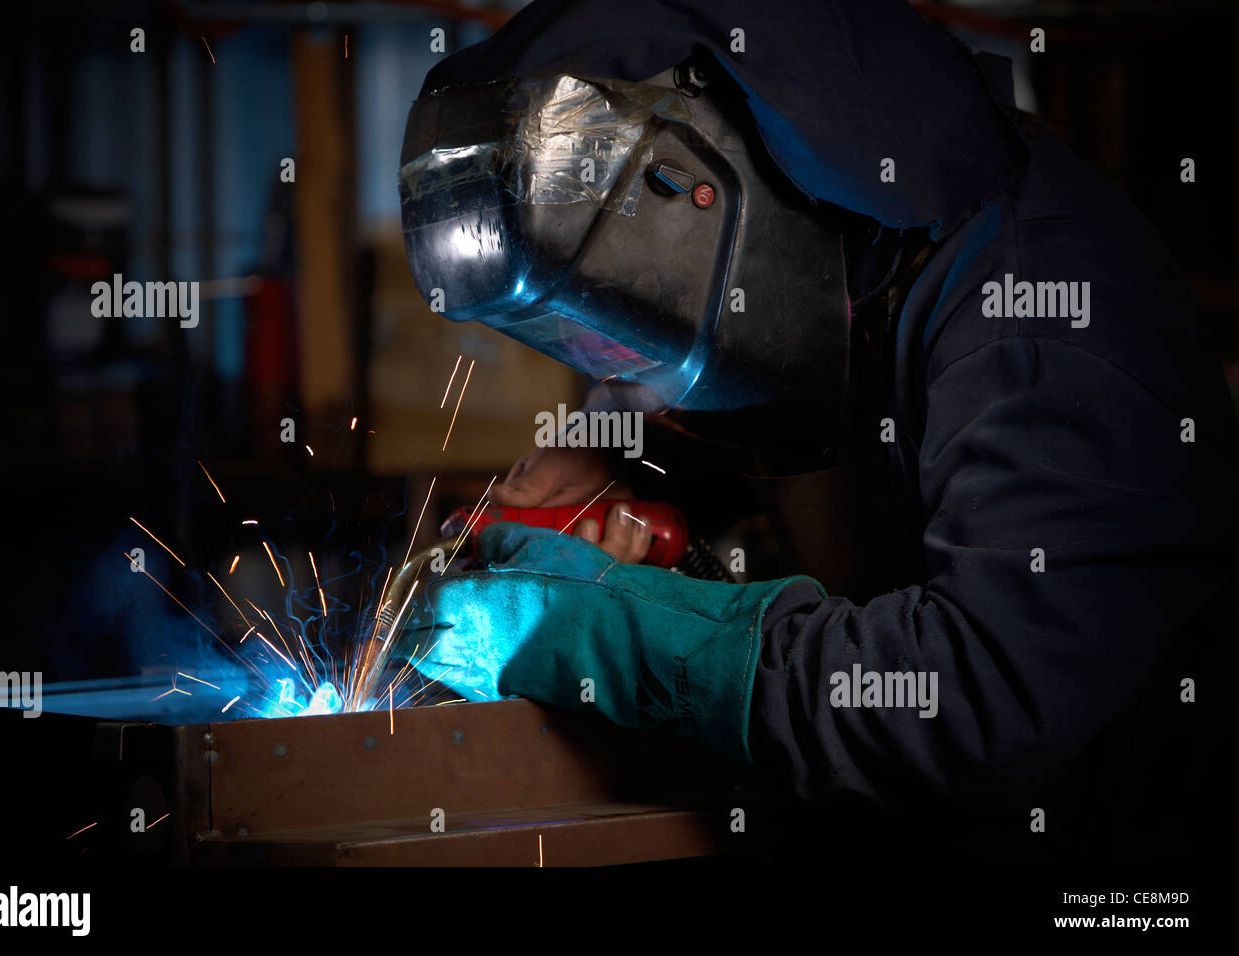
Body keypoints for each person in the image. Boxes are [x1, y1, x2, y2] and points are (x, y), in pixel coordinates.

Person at [404, 0, 1238, 861]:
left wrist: (617, 636)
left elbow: (973, 702)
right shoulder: (843, 257)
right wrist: (610, 455)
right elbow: (739, 374)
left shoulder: (1044, 318)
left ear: (718, 180)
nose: (620, 381)